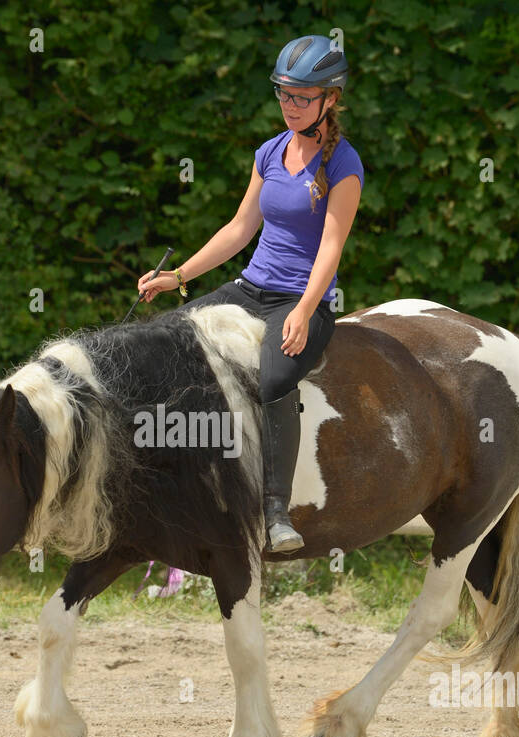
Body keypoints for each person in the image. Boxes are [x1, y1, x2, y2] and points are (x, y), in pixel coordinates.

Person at [137, 34, 364, 553]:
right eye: (284, 94)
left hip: (300, 299)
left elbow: (331, 249)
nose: (289, 106)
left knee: (273, 381)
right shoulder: (270, 151)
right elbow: (240, 229)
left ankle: (276, 512)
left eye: (301, 97)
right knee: (165, 340)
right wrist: (181, 277)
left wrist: (306, 310)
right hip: (248, 288)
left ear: (331, 98)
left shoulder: (342, 165)